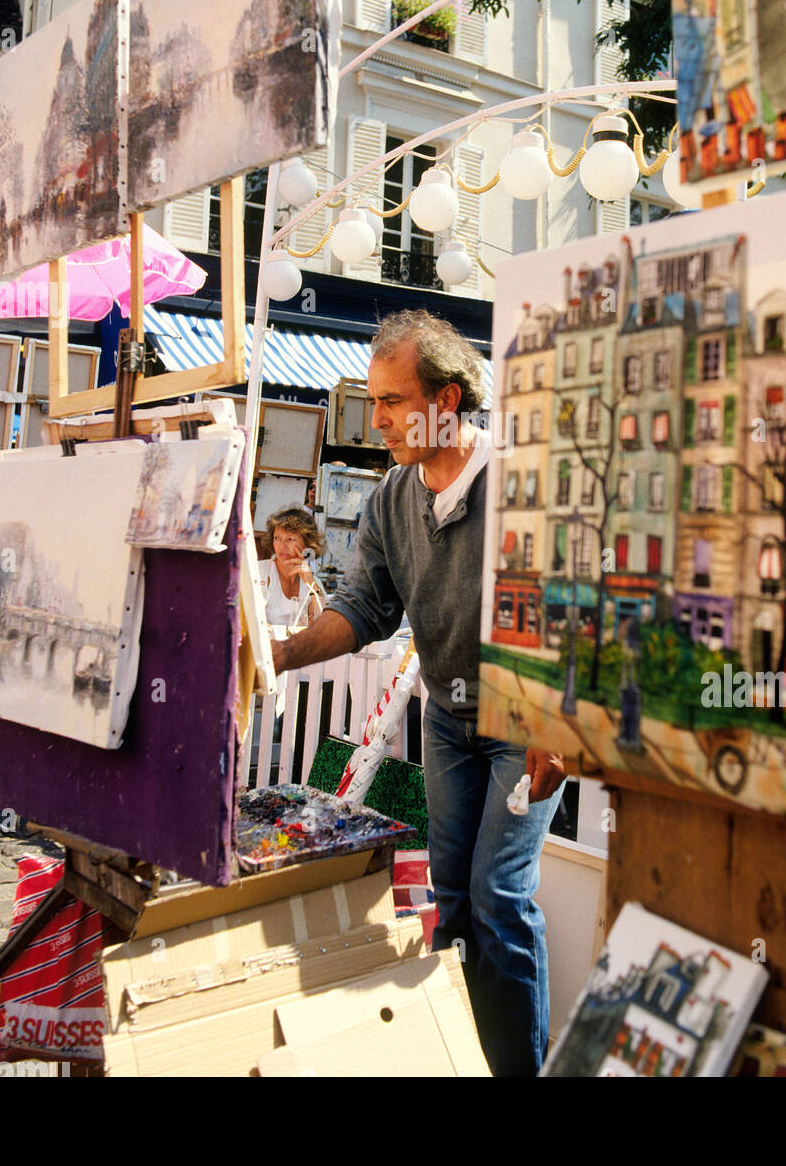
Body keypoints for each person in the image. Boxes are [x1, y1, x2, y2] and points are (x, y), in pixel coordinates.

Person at [271, 309, 565, 1076]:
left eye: (392, 402)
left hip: (523, 718)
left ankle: (517, 1070)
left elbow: (574, 599)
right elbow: (363, 610)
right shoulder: (391, 498)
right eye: (375, 404)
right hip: (448, 719)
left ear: (447, 400)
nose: (378, 422)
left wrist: (562, 717)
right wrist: (277, 652)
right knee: (452, 899)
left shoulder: (518, 482)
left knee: (500, 899)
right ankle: (462, 1055)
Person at [258, 506, 326, 632]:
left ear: (307, 543)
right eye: (277, 538)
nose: (281, 546)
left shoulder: (312, 581)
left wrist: (311, 584)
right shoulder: (259, 573)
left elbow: (323, 624)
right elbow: (249, 620)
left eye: (290, 539)